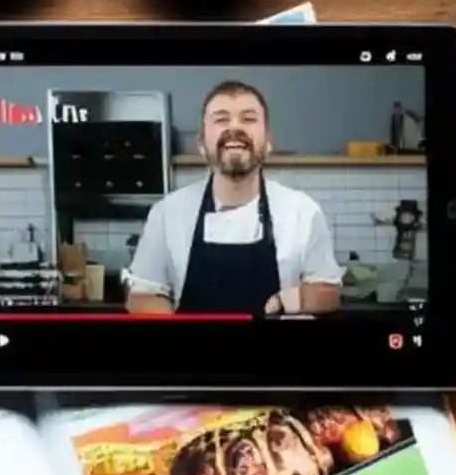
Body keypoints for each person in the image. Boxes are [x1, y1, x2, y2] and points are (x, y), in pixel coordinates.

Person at [122, 80, 343, 316]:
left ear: (268, 143)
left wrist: (293, 298)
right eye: (221, 119)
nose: (235, 128)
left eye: (248, 119)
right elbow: (142, 296)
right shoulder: (167, 213)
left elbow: (328, 293)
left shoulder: (303, 212)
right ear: (201, 145)